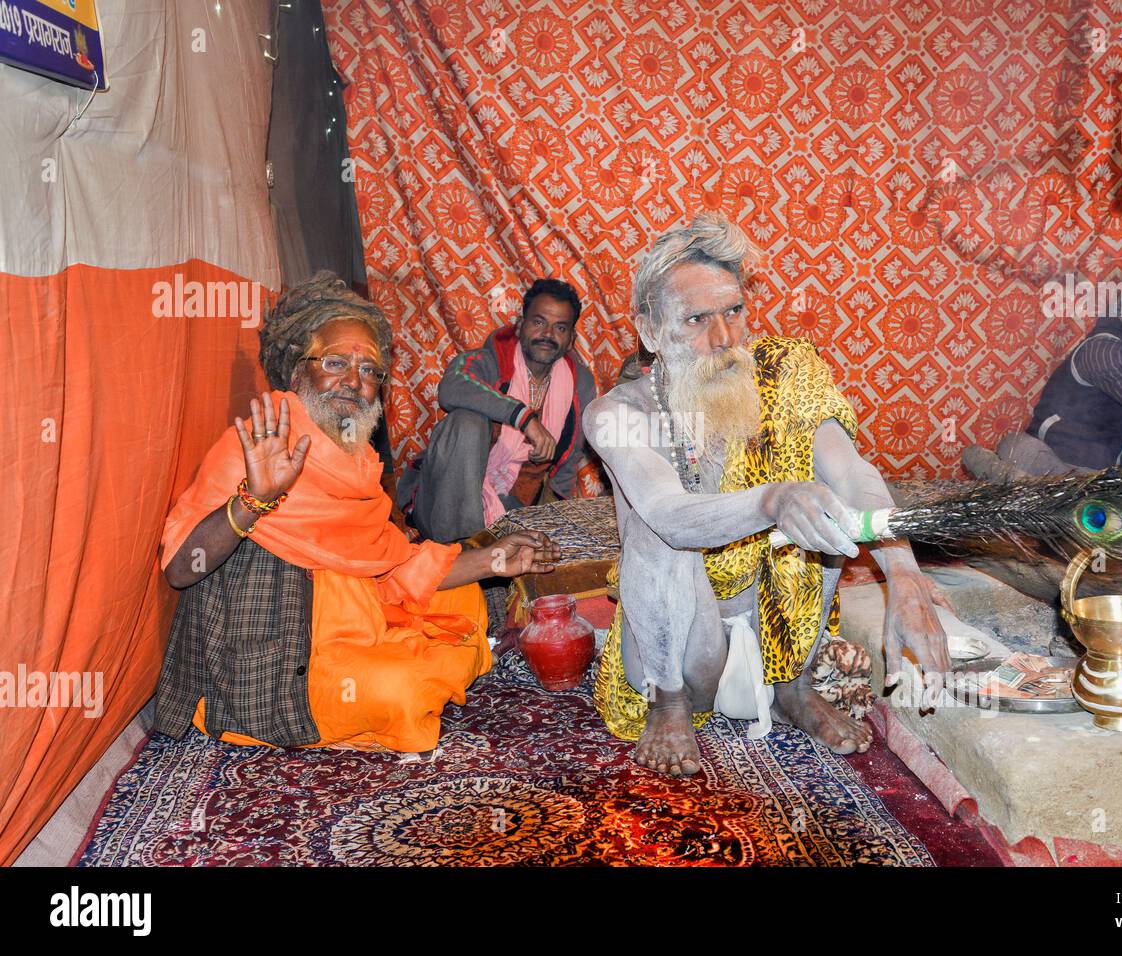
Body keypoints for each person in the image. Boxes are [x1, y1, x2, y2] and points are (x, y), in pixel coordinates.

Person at [583, 214, 950, 777]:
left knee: (825, 495)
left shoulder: (786, 374)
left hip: (771, 616)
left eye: (733, 311)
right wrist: (772, 500)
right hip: (683, 637)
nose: (725, 338)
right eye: (697, 319)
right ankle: (670, 704)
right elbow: (670, 515)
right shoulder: (618, 415)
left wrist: (904, 573)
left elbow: (852, 472)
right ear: (651, 331)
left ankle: (793, 688)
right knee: (654, 532)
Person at [154, 271, 558, 753]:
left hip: (362, 619)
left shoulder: (359, 462)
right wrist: (252, 502)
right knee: (402, 691)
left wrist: (497, 560)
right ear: (297, 370)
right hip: (282, 665)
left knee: (469, 597)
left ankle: (396, 658)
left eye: (370, 371)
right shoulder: (256, 447)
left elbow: (392, 568)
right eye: (335, 362)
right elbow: (181, 569)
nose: (354, 381)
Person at [399, 279, 598, 543]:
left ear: (571, 339)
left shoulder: (578, 383)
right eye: (538, 322)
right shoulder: (489, 361)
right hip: (442, 505)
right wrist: (524, 417)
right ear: (520, 325)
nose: (547, 334)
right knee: (467, 421)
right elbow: (451, 387)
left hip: (511, 507)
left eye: (560, 327)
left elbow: (568, 460)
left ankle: (484, 550)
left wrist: (557, 518)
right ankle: (466, 548)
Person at [964, 267, 1122, 480]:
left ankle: (1013, 478)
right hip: (1070, 463)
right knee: (1018, 448)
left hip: (1109, 473)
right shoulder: (1107, 351)